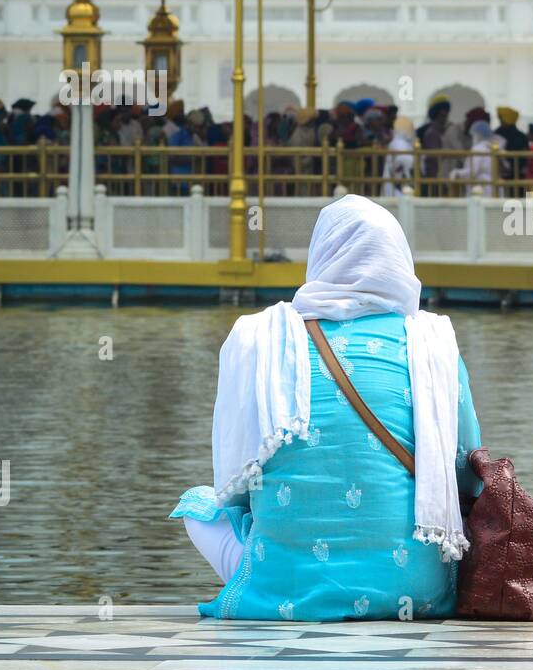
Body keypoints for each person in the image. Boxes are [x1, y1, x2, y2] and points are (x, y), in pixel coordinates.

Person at [170, 196, 484, 621]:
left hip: (284, 584)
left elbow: (238, 488)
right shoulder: (434, 343)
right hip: (417, 588)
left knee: (199, 505)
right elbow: (467, 472)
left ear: (322, 253)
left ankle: (274, 575)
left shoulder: (261, 338)